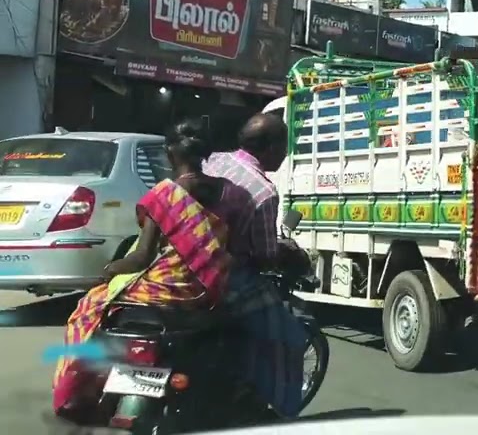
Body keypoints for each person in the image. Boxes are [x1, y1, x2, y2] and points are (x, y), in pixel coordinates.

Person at [53, 119, 240, 419]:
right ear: (207, 153)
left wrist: (110, 269)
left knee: (87, 309)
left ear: (169, 153)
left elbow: (141, 257)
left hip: (158, 292)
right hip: (205, 291)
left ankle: (78, 392)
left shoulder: (163, 196)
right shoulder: (230, 193)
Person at [203, 113, 309, 420]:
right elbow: (265, 256)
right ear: (272, 148)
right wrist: (286, 253)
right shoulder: (263, 191)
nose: (286, 153)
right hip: (228, 279)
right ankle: (281, 413)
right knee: (291, 339)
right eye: (285, 145)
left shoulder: (213, 161)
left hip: (185, 268)